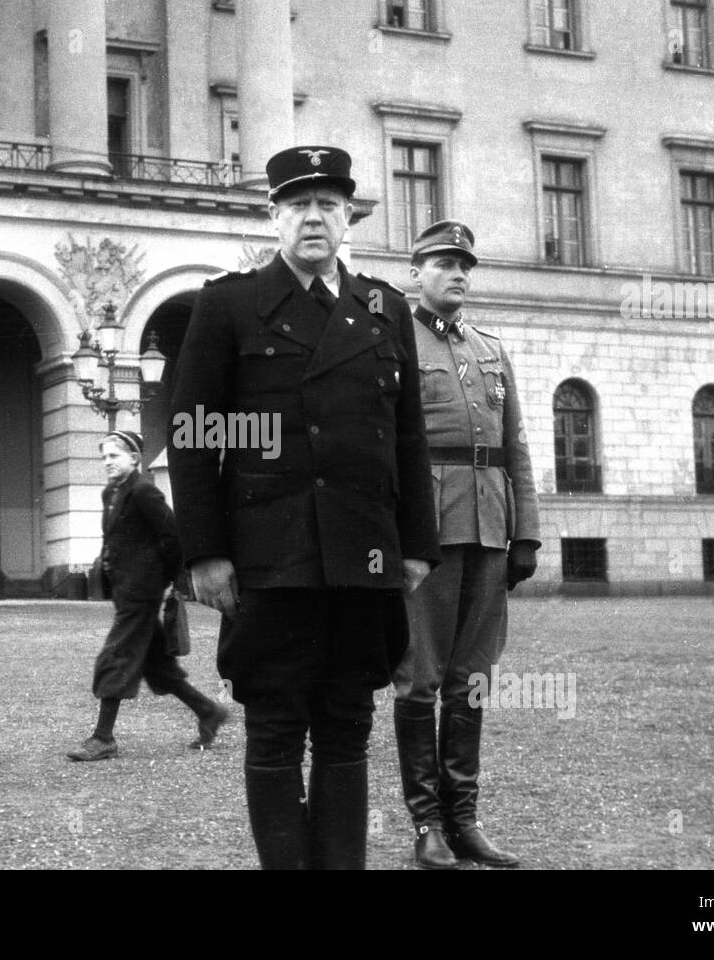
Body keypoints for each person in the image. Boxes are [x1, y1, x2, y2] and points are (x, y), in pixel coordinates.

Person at [167, 146, 440, 869]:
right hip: (272, 555)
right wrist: (205, 550)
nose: (313, 218)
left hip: (364, 553)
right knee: (278, 726)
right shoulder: (228, 304)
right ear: (273, 218)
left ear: (349, 216)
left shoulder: (384, 307)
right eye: (297, 205)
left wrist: (417, 542)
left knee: (350, 724)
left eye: (328, 205)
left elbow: (408, 433)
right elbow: (193, 435)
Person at [391, 220, 540, 869]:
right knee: (419, 680)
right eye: (444, 263)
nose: (457, 273)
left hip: (489, 529)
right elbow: (386, 450)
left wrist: (525, 530)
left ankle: (466, 820)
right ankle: (426, 825)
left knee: (472, 681)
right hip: (427, 533)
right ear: (416, 270)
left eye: (464, 265)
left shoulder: (490, 348)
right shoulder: (394, 342)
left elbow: (517, 448)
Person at [67, 430, 230, 761]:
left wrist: (171, 579)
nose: (107, 462)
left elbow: (172, 534)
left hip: (142, 592)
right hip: (126, 591)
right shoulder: (111, 494)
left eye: (114, 456)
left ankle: (103, 738)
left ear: (134, 458)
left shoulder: (143, 492)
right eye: (104, 457)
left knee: (116, 656)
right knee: (158, 666)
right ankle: (208, 711)